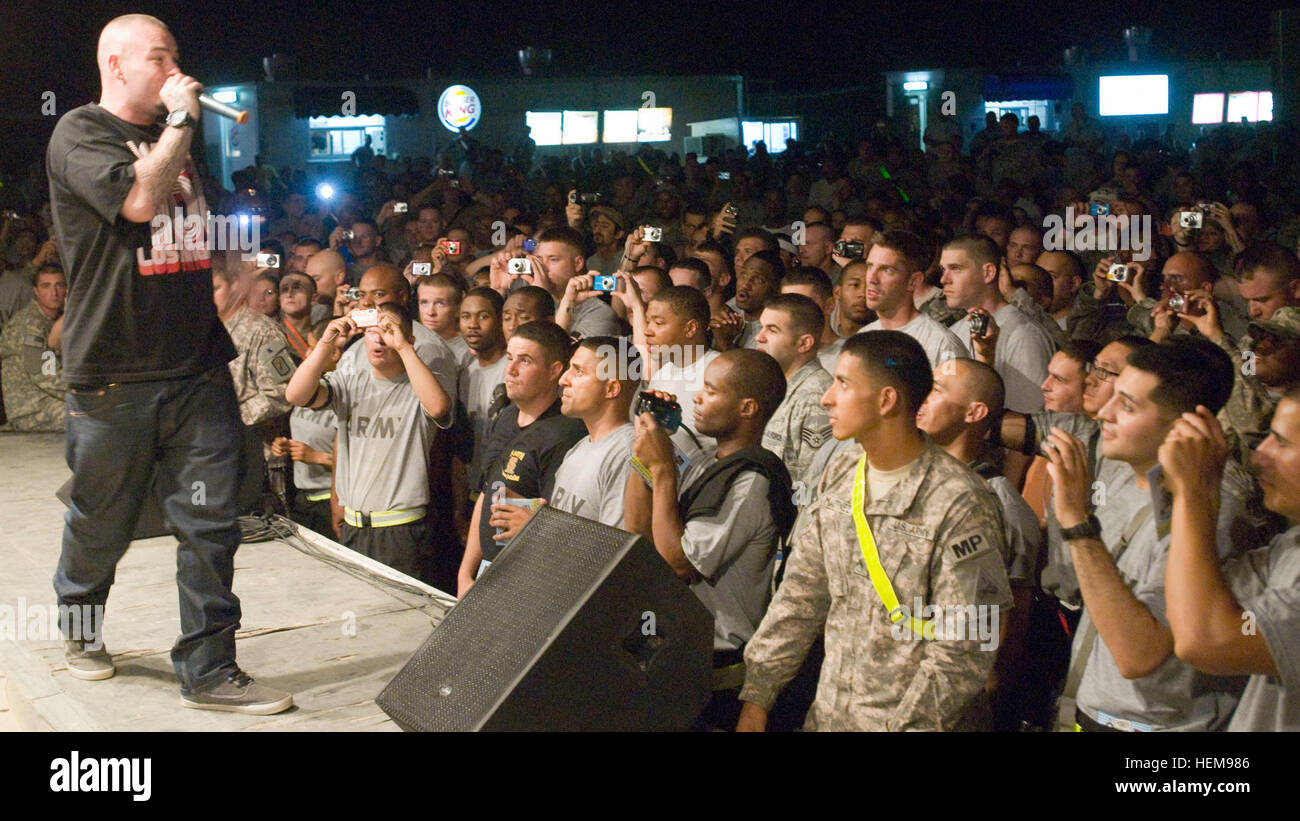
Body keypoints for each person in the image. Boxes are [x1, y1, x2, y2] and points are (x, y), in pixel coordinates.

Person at [46, 13, 290, 712]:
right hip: (113, 371)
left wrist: (234, 267)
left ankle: (210, 666)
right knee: (104, 518)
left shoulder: (177, 138)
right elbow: (138, 200)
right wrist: (183, 121)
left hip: (195, 366)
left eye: (178, 57)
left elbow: (190, 223)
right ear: (116, 64)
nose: (177, 70)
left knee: (210, 521)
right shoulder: (81, 132)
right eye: (160, 58)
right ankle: (80, 627)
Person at [737, 331, 1013, 731]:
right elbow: (801, 595)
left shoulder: (964, 502)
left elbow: (967, 646)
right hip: (832, 716)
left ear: (886, 400)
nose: (826, 397)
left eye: (844, 384)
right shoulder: (844, 472)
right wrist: (758, 695)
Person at [1041, 338, 1275, 731]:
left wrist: (1076, 522)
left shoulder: (1211, 513)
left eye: (1128, 405)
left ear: (1187, 425)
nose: (1106, 413)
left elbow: (1138, 655)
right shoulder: (1129, 475)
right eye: (1112, 396)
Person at [624, 348, 796, 730]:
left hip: (718, 672)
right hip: (678, 650)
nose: (697, 397)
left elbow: (677, 563)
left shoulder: (751, 480)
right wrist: (647, 449)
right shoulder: (710, 464)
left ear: (747, 408)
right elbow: (636, 530)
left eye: (711, 390)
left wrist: (664, 469)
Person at [1159, 388, 1300, 730]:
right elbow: (1191, 602)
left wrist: (1192, 493)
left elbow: (1204, 638)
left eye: (1281, 442)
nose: (1258, 456)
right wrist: (1204, 490)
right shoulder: (1291, 547)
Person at [916, 357, 1042, 730]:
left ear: (975, 412)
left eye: (936, 390)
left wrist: (985, 698)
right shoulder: (907, 482)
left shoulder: (998, 504)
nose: (922, 398)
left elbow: (1005, 630)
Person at [286, 304, 453, 581]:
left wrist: (403, 347)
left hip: (401, 529)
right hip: (355, 526)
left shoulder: (418, 385)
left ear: (406, 339)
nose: (378, 339)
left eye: (387, 332)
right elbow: (295, 395)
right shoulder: (350, 382)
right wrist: (327, 343)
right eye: (372, 332)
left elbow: (437, 408)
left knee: (401, 617)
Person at [457, 321, 586, 595]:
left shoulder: (565, 432)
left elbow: (560, 519)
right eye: (510, 358)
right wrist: (466, 572)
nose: (511, 370)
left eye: (524, 361)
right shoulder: (505, 416)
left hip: (530, 580)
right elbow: (487, 492)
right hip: (488, 571)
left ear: (554, 371)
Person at [487, 336, 639, 538]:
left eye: (578, 371)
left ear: (611, 389)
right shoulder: (581, 447)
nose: (563, 380)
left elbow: (617, 547)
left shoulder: (626, 453)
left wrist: (536, 526)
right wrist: (529, 508)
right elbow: (574, 518)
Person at [941, 234, 1056, 414]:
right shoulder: (953, 331)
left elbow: (1031, 418)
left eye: (955, 268)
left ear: (988, 273)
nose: (944, 279)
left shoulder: (1024, 335)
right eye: (943, 269)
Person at [857, 230, 965, 367]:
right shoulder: (863, 337)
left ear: (913, 281)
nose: (872, 279)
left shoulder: (942, 344)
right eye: (870, 266)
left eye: (887, 270)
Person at [754, 293, 833, 479]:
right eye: (761, 327)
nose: (759, 337)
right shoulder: (770, 383)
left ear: (804, 343)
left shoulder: (816, 396)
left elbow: (812, 482)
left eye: (772, 330)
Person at [0, 266, 67, 431]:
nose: (54, 292)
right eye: (46, 286)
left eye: (59, 285)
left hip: (51, 398)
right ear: (36, 291)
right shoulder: (29, 325)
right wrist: (85, 391)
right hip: (31, 408)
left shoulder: (56, 320)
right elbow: (45, 376)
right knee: (89, 421)